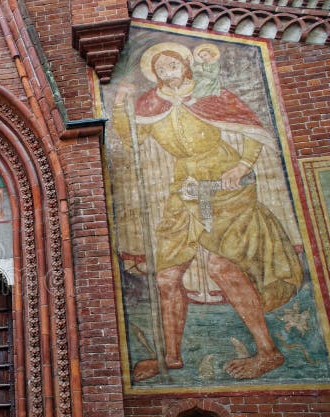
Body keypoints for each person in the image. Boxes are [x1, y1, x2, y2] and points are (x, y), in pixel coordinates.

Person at [112, 42, 302, 381]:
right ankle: (170, 357)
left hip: (225, 181)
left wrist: (243, 165)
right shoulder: (151, 102)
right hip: (184, 187)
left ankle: (267, 351)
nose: (166, 70)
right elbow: (131, 139)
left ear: (186, 65)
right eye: (160, 67)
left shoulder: (209, 91)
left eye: (172, 63)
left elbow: (251, 127)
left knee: (222, 265)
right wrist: (119, 102)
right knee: (166, 277)